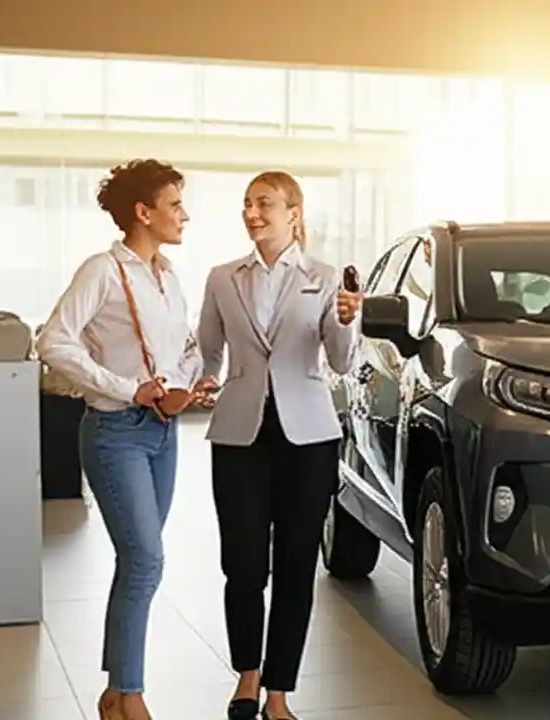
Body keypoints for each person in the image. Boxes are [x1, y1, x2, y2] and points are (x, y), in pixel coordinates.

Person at [36, 159, 217, 720]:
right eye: (174, 204)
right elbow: (53, 342)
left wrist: (187, 387)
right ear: (143, 212)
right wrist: (125, 388)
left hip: (163, 433)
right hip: (115, 433)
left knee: (137, 560)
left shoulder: (167, 275)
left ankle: (115, 691)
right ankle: (131, 697)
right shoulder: (102, 270)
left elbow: (180, 351)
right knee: (146, 559)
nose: (185, 214)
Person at [196, 170, 362, 720]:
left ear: (294, 212)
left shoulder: (324, 275)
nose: (252, 212)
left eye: (264, 203)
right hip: (239, 434)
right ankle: (247, 676)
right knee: (242, 566)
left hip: (309, 438)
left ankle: (278, 695)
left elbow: (340, 361)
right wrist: (191, 383)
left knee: (296, 567)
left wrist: (348, 320)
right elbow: (208, 356)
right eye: (246, 203)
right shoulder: (223, 278)